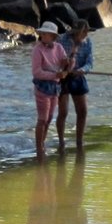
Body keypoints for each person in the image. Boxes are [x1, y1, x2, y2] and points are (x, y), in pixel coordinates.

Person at [30, 21, 70, 159]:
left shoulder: (58, 47)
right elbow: (37, 72)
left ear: (53, 36)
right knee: (42, 119)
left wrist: (66, 65)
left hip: (55, 87)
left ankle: (43, 143)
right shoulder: (37, 50)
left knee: (50, 118)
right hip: (42, 86)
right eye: (42, 33)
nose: (42, 36)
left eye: (45, 34)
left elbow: (64, 62)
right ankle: (39, 148)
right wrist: (55, 75)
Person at [57, 20, 93, 152]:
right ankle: (61, 142)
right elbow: (57, 59)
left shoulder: (88, 42)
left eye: (86, 32)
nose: (86, 35)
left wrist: (83, 69)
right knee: (63, 112)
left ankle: (79, 141)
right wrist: (65, 68)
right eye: (84, 32)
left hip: (78, 76)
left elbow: (90, 62)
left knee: (83, 111)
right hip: (63, 78)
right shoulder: (62, 40)